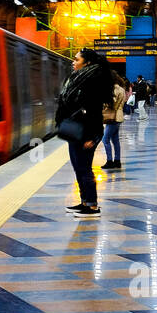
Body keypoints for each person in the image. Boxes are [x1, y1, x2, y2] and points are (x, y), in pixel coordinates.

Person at [56, 48, 108, 218]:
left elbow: (93, 111)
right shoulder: (78, 79)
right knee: (79, 168)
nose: (73, 62)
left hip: (87, 132)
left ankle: (92, 206)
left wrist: (90, 137)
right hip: (77, 131)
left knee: (85, 169)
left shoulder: (93, 80)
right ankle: (84, 201)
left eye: (77, 60)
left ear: (87, 63)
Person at [101, 69, 126, 169]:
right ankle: (117, 161)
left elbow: (111, 103)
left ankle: (109, 161)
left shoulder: (114, 89)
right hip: (118, 116)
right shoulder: (122, 89)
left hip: (112, 117)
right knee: (115, 140)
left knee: (105, 139)